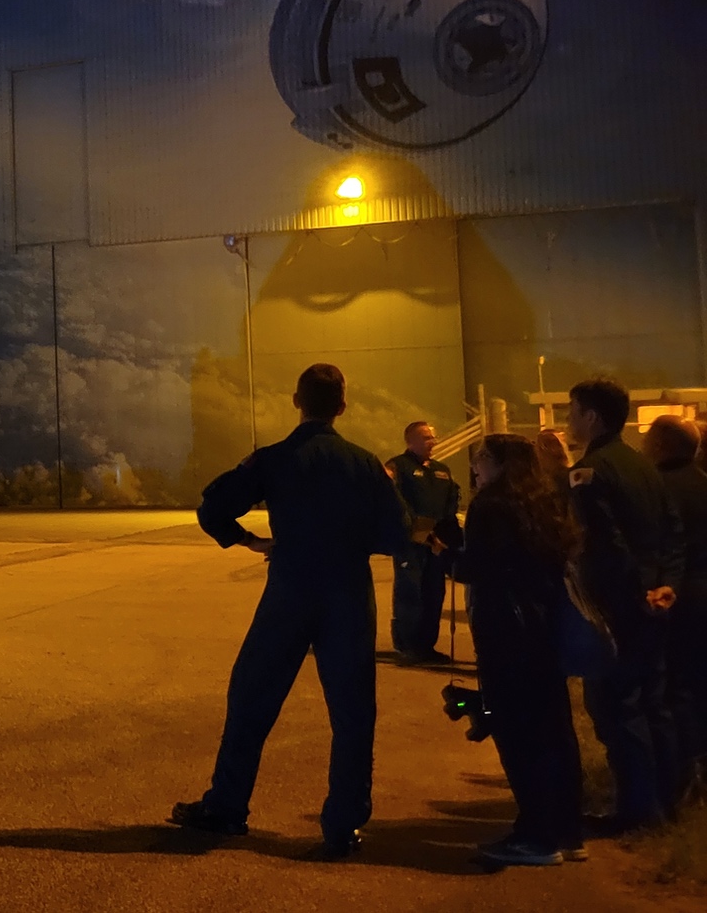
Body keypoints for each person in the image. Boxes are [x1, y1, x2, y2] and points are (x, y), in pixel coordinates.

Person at [171, 363, 410, 858]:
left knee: (251, 698)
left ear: (297, 401)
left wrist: (251, 541)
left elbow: (212, 506)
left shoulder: (274, 460)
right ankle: (342, 825)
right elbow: (395, 533)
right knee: (352, 712)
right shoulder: (365, 464)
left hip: (290, 591)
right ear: (342, 407)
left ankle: (227, 807)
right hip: (347, 593)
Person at [452, 434, 586, 866]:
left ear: (501, 463)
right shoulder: (545, 502)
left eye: (481, 458)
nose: (475, 466)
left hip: (506, 631)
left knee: (519, 734)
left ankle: (535, 836)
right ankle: (567, 831)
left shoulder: (490, 506)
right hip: (543, 628)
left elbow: (475, 567)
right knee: (554, 730)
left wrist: (447, 555)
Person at [565, 379, 685, 831]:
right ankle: (666, 802)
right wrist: (666, 586)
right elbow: (672, 531)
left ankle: (637, 810)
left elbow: (608, 545)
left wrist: (637, 593)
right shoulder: (642, 465)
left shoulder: (591, 471)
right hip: (656, 603)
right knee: (654, 703)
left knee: (617, 707)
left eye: (573, 411)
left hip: (619, 608)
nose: (569, 420)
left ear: (592, 416)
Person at [644, 415, 707, 795]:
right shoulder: (703, 484)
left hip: (678, 598)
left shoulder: (658, 488)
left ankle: (684, 773)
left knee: (675, 686)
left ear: (662, 445)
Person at [388, 421, 461, 664]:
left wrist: (447, 535)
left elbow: (451, 503)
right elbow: (394, 501)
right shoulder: (399, 466)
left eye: (433, 437)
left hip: (437, 544)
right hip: (411, 543)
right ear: (410, 441)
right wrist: (414, 528)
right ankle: (407, 646)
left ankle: (426, 646)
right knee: (410, 593)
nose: (433, 442)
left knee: (434, 593)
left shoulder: (443, 470)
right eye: (427, 438)